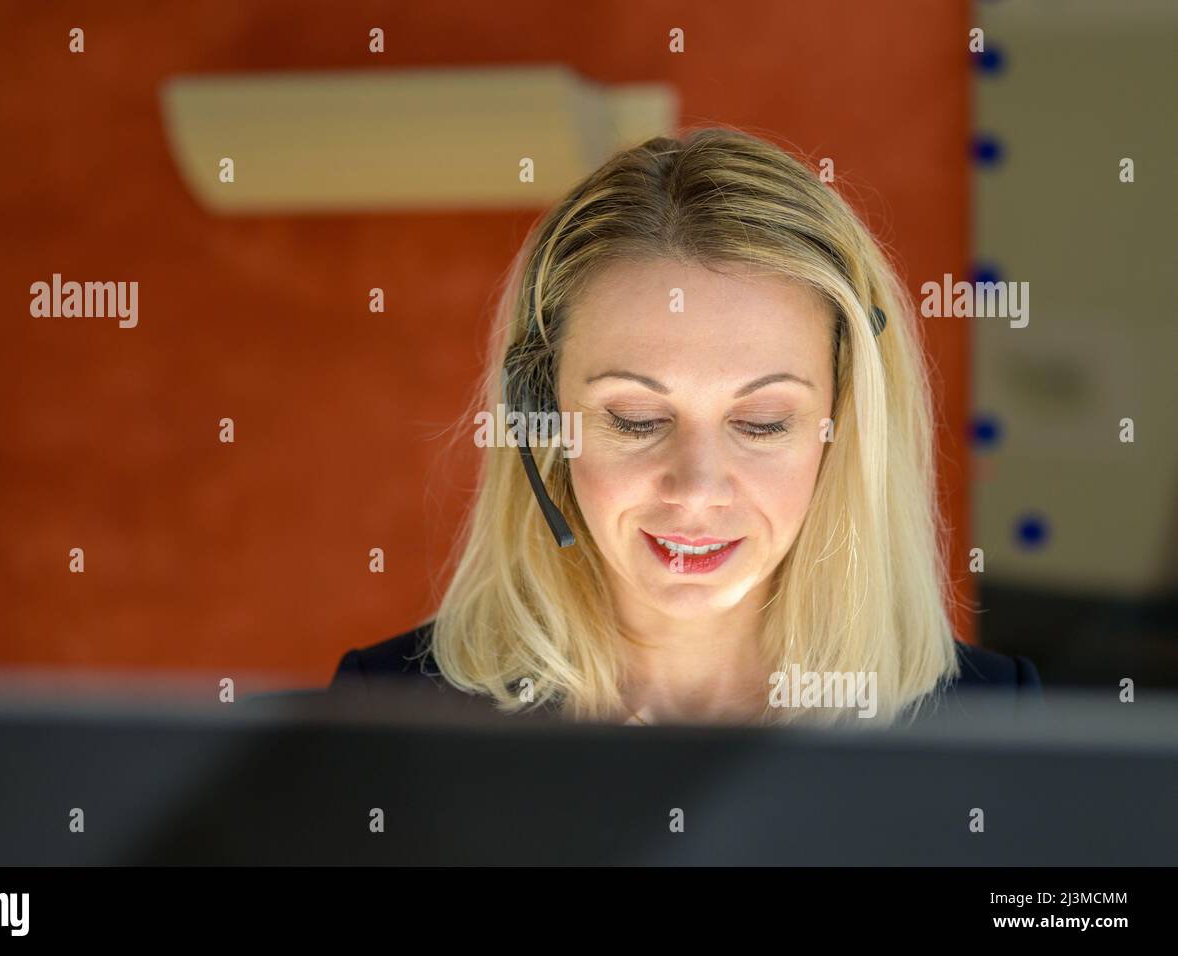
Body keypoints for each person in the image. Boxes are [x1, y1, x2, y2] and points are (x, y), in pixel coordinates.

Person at [330, 126, 1041, 728]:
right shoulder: (385, 713)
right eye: (636, 419)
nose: (697, 490)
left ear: (844, 422)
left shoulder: (991, 719)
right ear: (539, 418)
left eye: (762, 423)